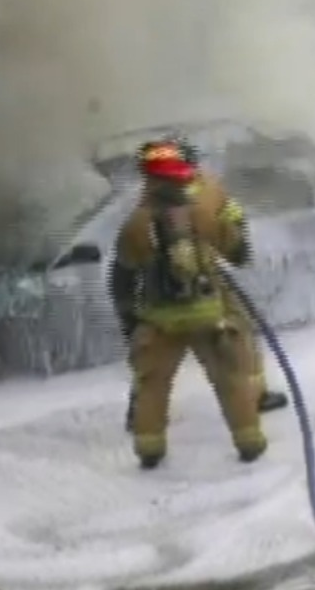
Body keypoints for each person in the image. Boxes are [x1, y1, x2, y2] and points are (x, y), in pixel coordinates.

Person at [110, 137, 268, 469]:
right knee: (229, 377)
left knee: (152, 384)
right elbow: (241, 254)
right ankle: (249, 442)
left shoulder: (136, 224)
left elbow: (123, 275)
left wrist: (131, 322)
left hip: (159, 319)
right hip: (207, 312)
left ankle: (149, 450)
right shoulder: (201, 211)